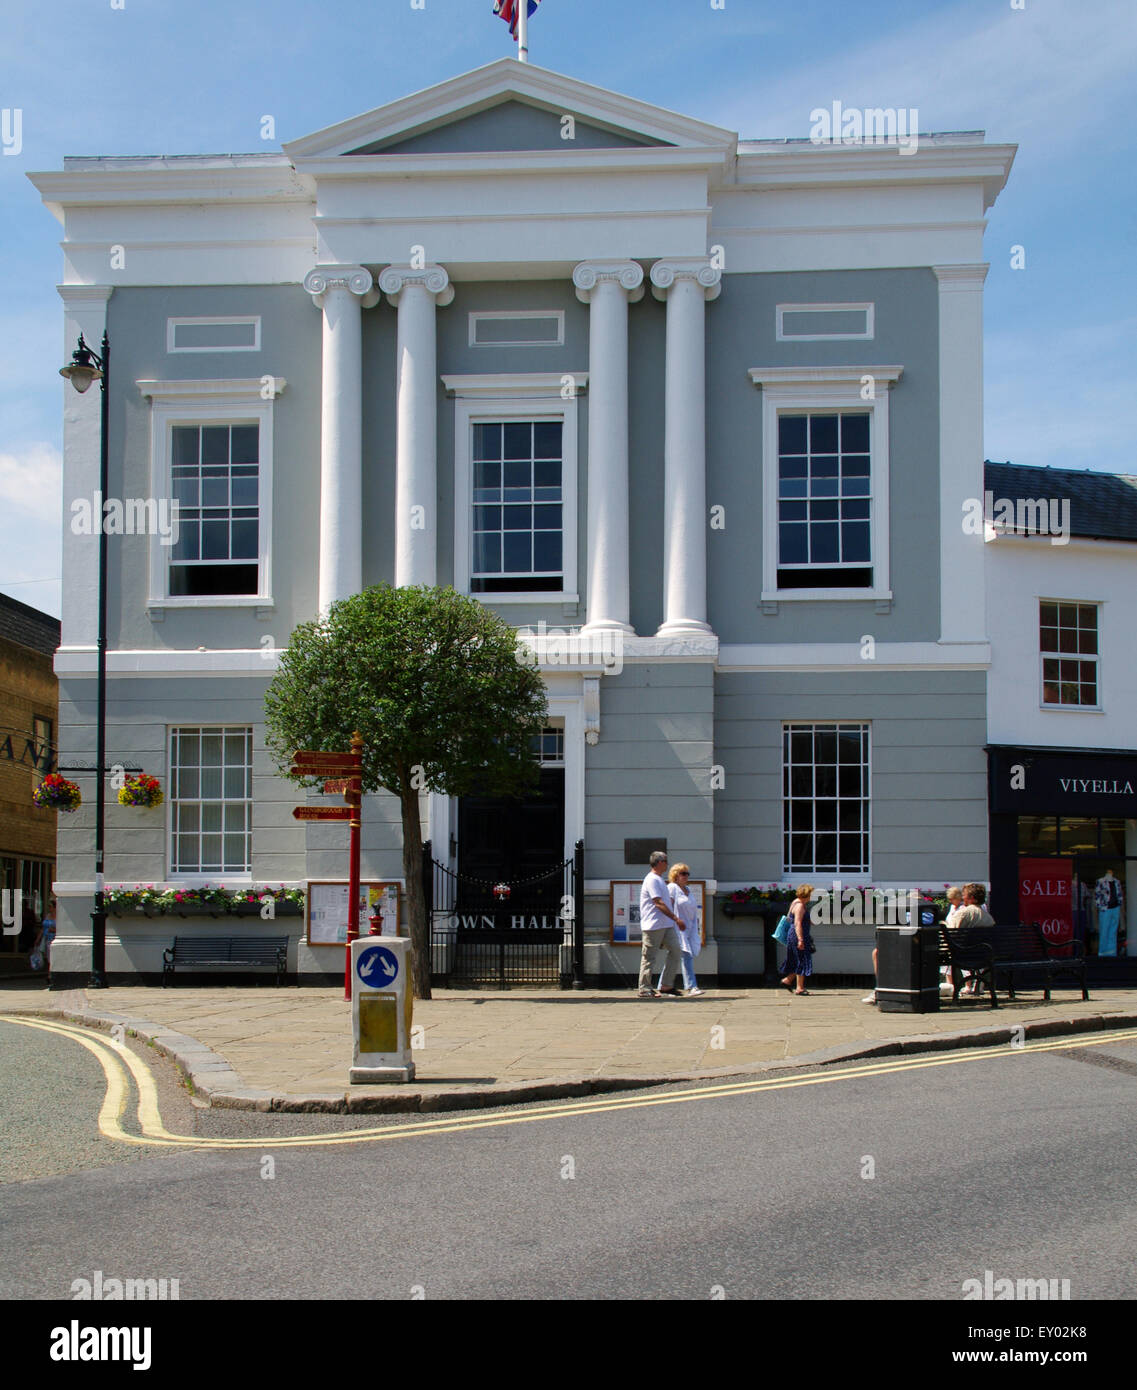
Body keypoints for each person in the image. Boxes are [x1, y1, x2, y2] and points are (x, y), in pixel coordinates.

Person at [638, 851, 685, 998]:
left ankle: (666, 985)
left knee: (676, 950)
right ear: (659, 862)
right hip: (653, 925)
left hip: (666, 924)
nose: (667, 864)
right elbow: (658, 902)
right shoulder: (652, 879)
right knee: (649, 957)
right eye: (665, 861)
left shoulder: (659, 879)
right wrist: (675, 918)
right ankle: (644, 988)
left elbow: (665, 901)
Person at [659, 864, 703, 997]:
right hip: (677, 928)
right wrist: (675, 920)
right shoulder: (672, 888)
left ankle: (663, 986)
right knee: (686, 955)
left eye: (687, 873)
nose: (686, 876)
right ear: (675, 875)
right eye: (683, 873)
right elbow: (668, 907)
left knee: (674, 956)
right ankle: (691, 986)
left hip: (689, 928)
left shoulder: (688, 889)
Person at [779, 884, 815, 995]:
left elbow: (791, 918)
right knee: (802, 960)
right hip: (798, 935)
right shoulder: (799, 906)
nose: (811, 897)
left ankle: (788, 980)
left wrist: (808, 921)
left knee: (800, 960)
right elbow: (797, 923)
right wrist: (800, 939)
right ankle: (799, 988)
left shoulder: (795, 902)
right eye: (810, 895)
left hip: (795, 935)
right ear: (807, 895)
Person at [1095, 870, 1124, 957]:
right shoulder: (1100, 881)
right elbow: (1097, 895)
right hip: (1106, 908)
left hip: (1115, 908)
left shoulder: (1117, 881)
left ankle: (1112, 953)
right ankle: (1102, 953)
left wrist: (1120, 903)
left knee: (1113, 931)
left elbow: (1119, 894)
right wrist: (1100, 906)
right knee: (1104, 931)